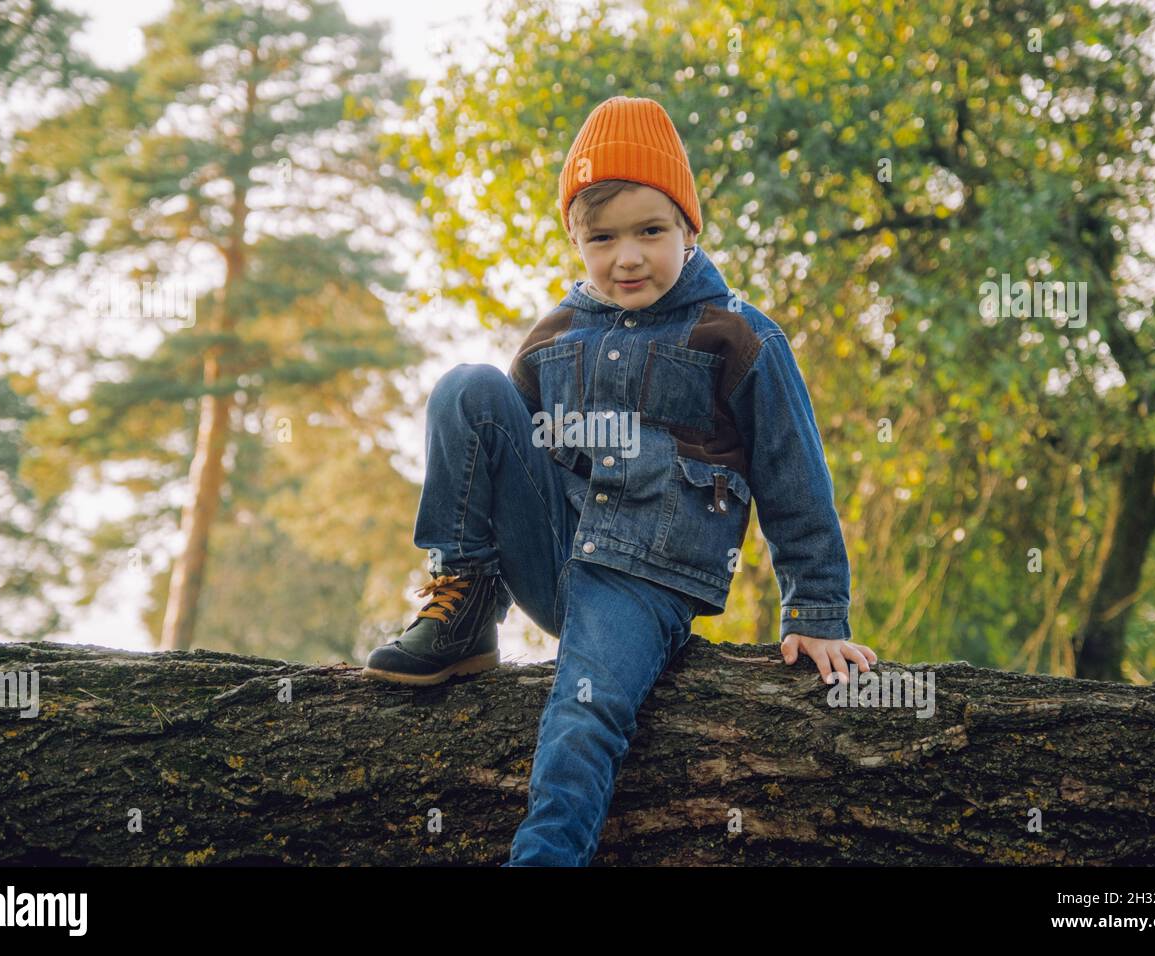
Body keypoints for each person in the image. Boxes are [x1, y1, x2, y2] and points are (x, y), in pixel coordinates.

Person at [363, 95, 878, 865]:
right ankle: (467, 604)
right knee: (468, 388)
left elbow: (794, 474)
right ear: (575, 239)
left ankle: (543, 857)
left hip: (645, 581)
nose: (626, 257)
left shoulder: (737, 334)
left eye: (650, 231)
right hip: (557, 554)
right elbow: (493, 459)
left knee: (583, 714)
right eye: (601, 238)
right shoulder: (554, 337)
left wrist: (818, 610)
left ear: (689, 229)